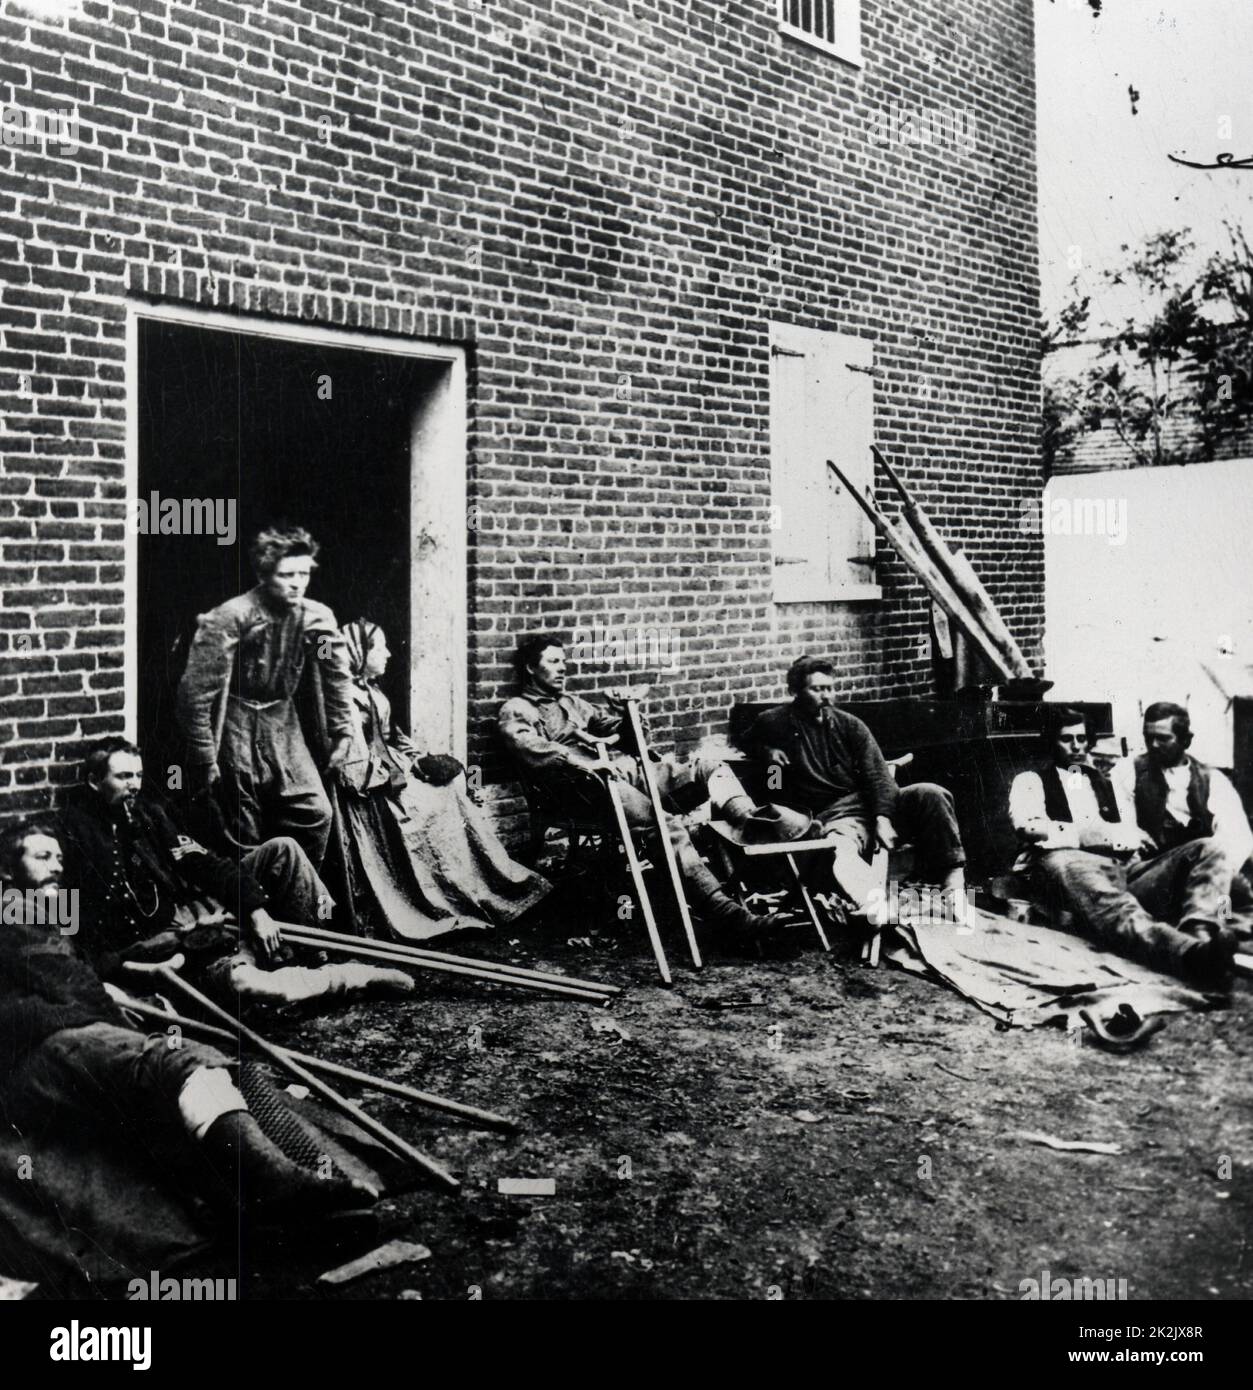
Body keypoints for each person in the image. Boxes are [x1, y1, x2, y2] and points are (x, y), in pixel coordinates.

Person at [0, 820, 375, 1230]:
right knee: (175, 1061)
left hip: (65, 1032)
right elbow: (60, 986)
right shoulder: (12, 913)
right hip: (33, 1052)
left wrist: (109, 988)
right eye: (41, 857)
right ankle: (274, 1184)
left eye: (58, 857)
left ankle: (263, 1182)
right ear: (7, 869)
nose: (56, 866)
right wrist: (107, 1007)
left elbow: (79, 971)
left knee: (200, 1062)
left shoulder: (46, 909)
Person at [58, 737, 412, 1006]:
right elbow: (80, 924)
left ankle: (312, 951)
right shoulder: (74, 836)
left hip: (200, 916)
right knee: (249, 985)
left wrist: (255, 908)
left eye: (137, 775)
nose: (134, 785)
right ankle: (349, 977)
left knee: (282, 850)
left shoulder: (150, 814)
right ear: (94, 781)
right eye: (122, 777)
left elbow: (203, 862)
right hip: (166, 946)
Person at [497, 633, 782, 942]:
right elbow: (528, 745)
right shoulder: (517, 708)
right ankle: (728, 915)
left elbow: (630, 740)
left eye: (564, 661)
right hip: (582, 792)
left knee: (708, 767)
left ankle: (755, 829)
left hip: (620, 778)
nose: (563, 668)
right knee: (665, 824)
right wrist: (585, 764)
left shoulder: (572, 704)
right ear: (530, 668)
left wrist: (627, 713)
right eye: (554, 662)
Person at [326, 619, 551, 940]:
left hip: (390, 770)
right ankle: (446, 896)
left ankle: (486, 885)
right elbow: (352, 767)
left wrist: (419, 758)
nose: (389, 654)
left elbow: (392, 736)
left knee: (449, 788)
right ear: (359, 653)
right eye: (380, 648)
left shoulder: (372, 691)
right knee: (435, 804)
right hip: (370, 790)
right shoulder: (343, 700)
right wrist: (399, 774)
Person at [1008, 707, 1235, 985]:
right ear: (1051, 742)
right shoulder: (1031, 780)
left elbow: (1130, 833)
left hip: (1118, 869)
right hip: (1067, 870)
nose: (1077, 746)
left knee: (1209, 849)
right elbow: (1029, 828)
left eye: (1082, 738)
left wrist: (1125, 838)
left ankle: (1200, 936)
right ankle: (1184, 952)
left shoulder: (1107, 782)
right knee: (1081, 874)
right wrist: (1091, 834)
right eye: (1067, 739)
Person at [176, 524, 356, 867]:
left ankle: (296, 894)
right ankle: (253, 907)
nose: (297, 582)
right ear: (263, 573)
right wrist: (204, 755)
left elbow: (335, 676)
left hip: (281, 721)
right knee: (242, 823)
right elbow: (195, 694)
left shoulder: (314, 618)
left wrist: (343, 733)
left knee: (315, 812)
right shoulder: (231, 617)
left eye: (304, 573)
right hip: (235, 718)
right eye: (287, 574)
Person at [746, 655, 967, 917]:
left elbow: (878, 774)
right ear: (795, 690)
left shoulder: (850, 725)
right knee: (842, 847)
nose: (826, 696)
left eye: (830, 688)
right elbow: (749, 744)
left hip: (870, 804)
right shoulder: (774, 722)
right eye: (817, 689)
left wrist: (883, 818)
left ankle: (954, 887)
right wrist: (768, 753)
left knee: (931, 794)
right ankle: (873, 904)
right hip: (833, 816)